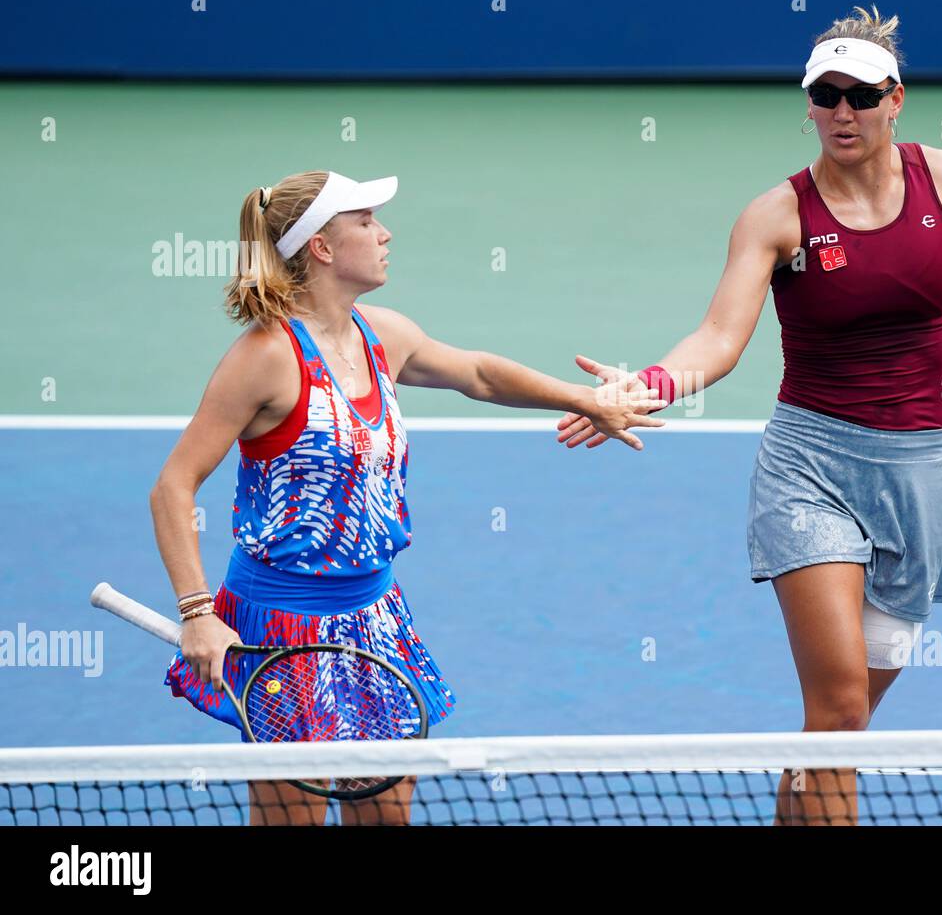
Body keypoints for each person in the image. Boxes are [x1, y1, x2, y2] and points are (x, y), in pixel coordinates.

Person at [556, 6, 942, 825]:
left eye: (860, 94)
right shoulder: (776, 217)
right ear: (808, 105)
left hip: (918, 474)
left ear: (897, 99)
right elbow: (719, 337)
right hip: (810, 469)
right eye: (826, 96)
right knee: (841, 715)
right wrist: (647, 383)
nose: (843, 112)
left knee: (838, 726)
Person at [154, 170, 666, 824]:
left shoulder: (382, 335)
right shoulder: (264, 358)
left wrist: (584, 399)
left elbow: (478, 373)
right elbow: (172, 485)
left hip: (375, 617)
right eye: (365, 220)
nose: (384, 231)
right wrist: (197, 612)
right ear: (322, 248)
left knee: (386, 817)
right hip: (280, 630)